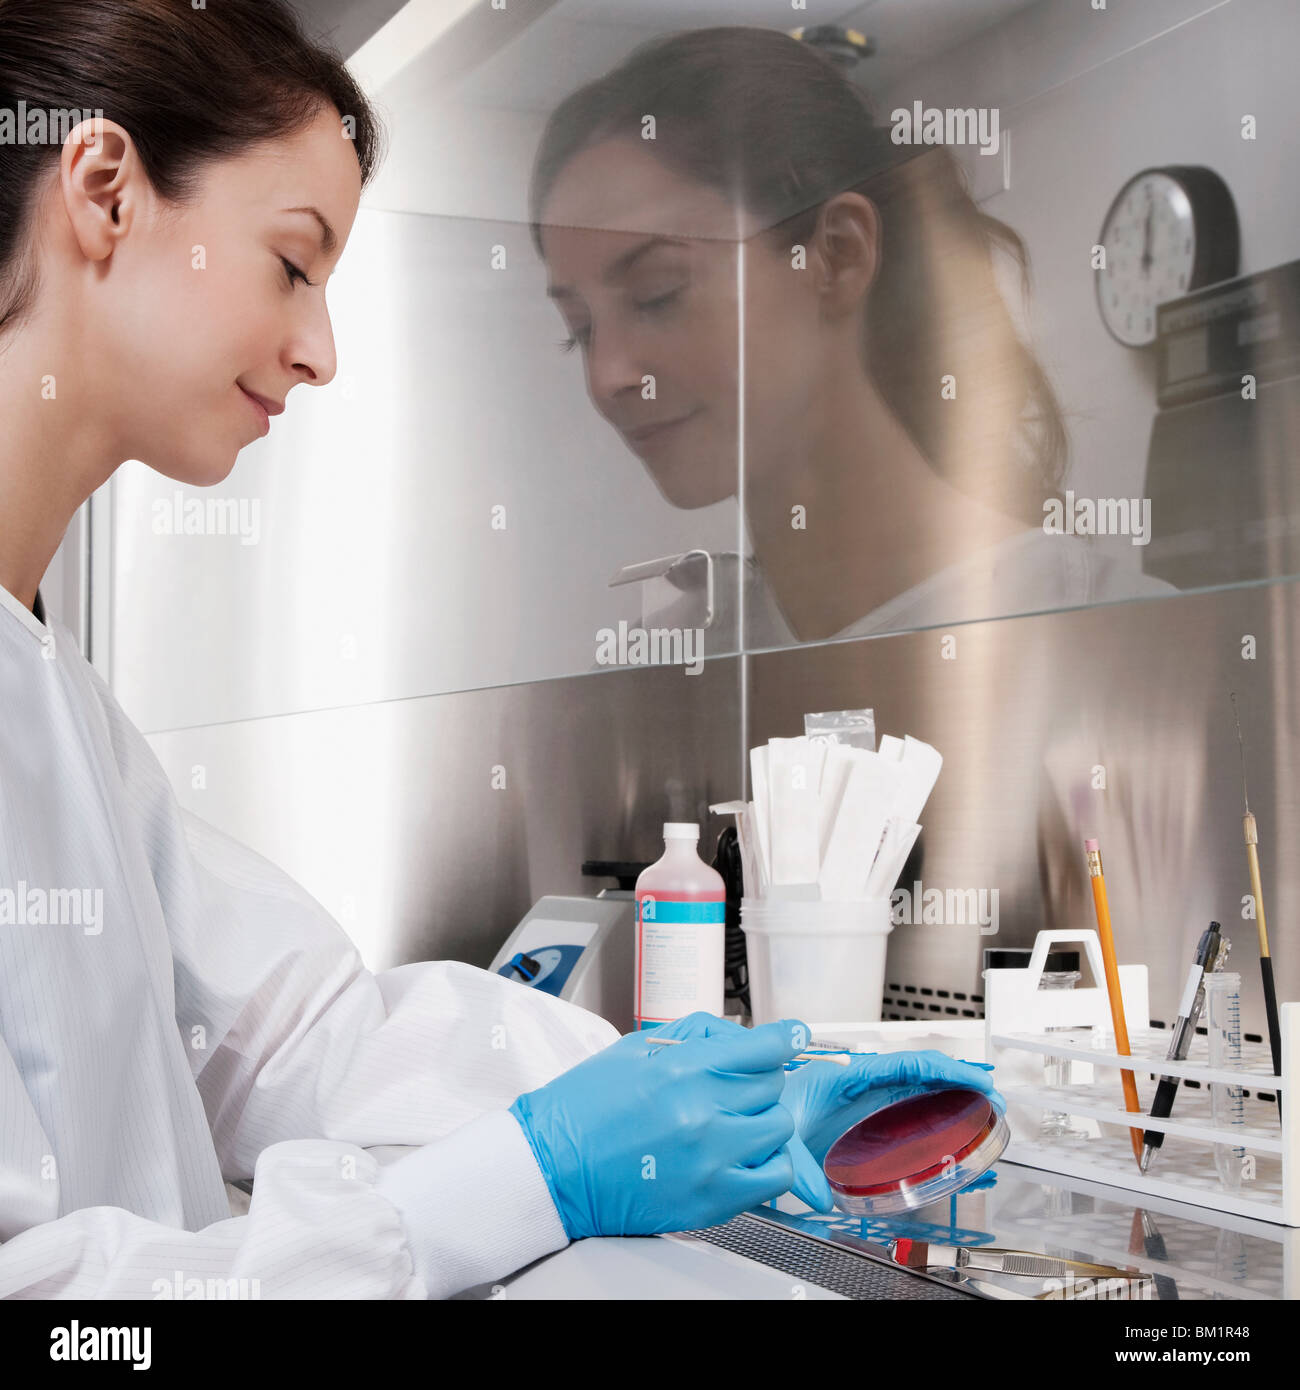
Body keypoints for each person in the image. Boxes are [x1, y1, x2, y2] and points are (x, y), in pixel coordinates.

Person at [0, 0, 997, 1299]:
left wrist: (702, 1083)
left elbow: (286, 1031)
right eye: (293, 263)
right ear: (107, 193)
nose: (320, 350)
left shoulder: (53, 690)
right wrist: (531, 1172)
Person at [529, 26, 1173, 650]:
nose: (607, 376)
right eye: (579, 332)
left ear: (836, 255)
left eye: (657, 294)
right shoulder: (668, 666)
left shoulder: (1129, 641)